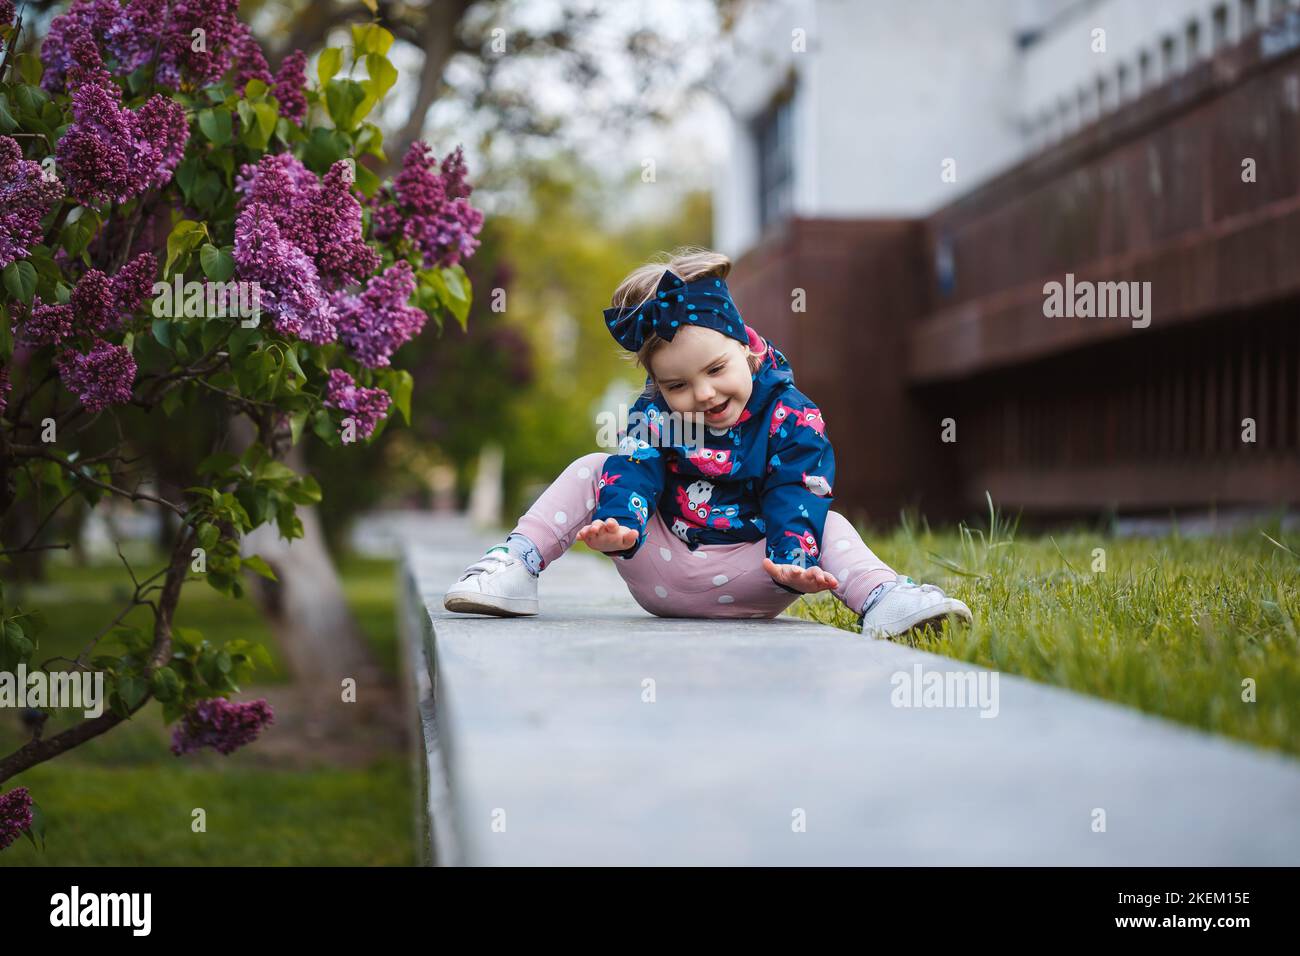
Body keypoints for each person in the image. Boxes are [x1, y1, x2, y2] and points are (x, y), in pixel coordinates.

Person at [444, 248, 972, 639]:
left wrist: (792, 556)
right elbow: (636, 468)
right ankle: (516, 564)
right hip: (661, 567)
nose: (702, 394)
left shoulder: (791, 415)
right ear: (658, 385)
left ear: (744, 346)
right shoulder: (659, 415)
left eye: (715, 369)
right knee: (595, 465)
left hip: (759, 572)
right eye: (676, 385)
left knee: (828, 522)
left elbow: (796, 487)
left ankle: (881, 598)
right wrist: (623, 526)